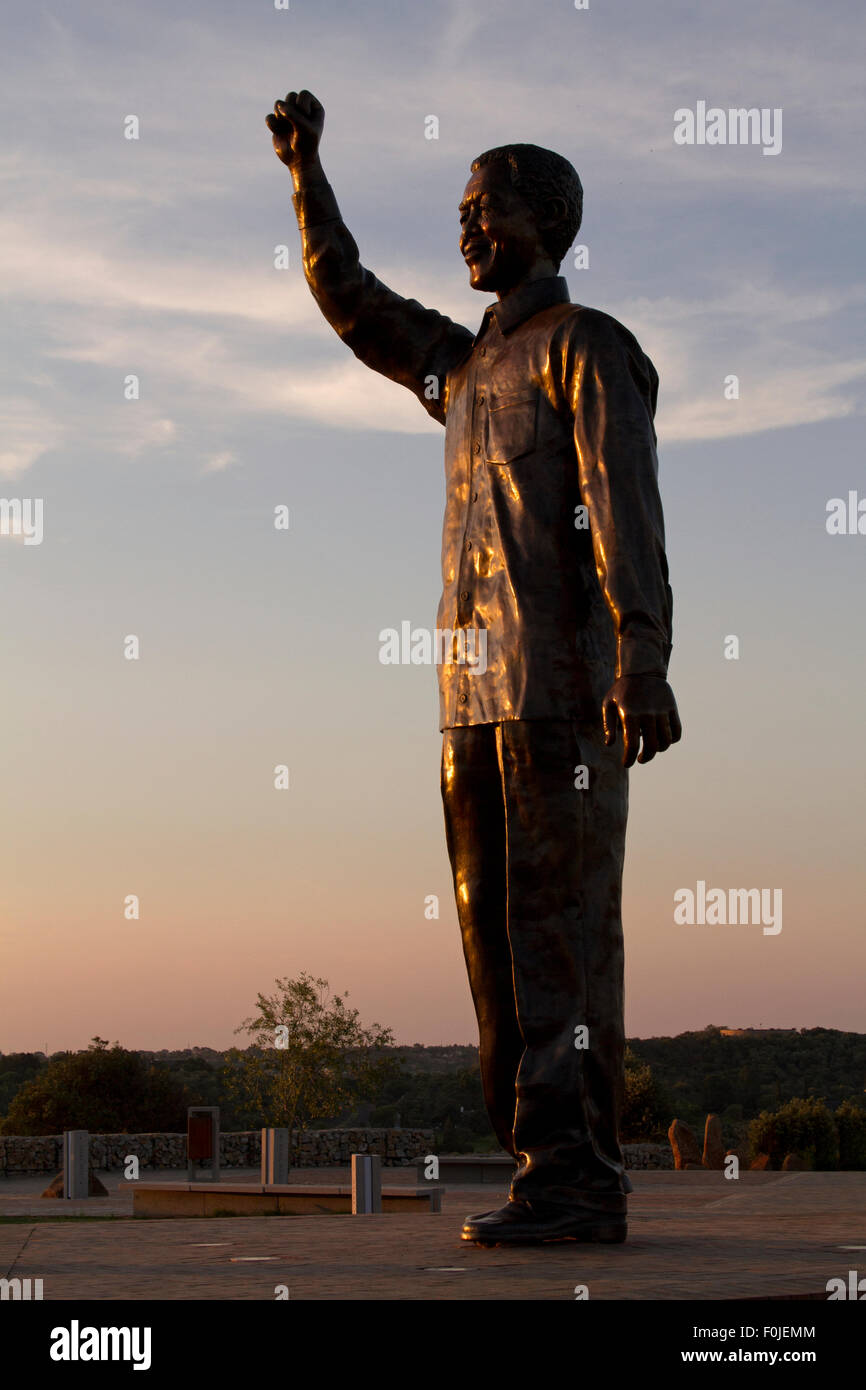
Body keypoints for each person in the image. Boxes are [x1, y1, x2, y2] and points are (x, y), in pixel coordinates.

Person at [266, 89, 682, 1245]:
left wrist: (639, 653)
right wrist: (306, 169)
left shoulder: (585, 346)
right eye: (459, 210)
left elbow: (623, 507)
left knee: (562, 942)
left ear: (542, 220)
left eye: (482, 207)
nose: (463, 229)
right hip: (467, 698)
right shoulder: (457, 369)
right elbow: (345, 296)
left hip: (564, 692)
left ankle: (578, 1178)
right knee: (490, 943)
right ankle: (537, 1169)